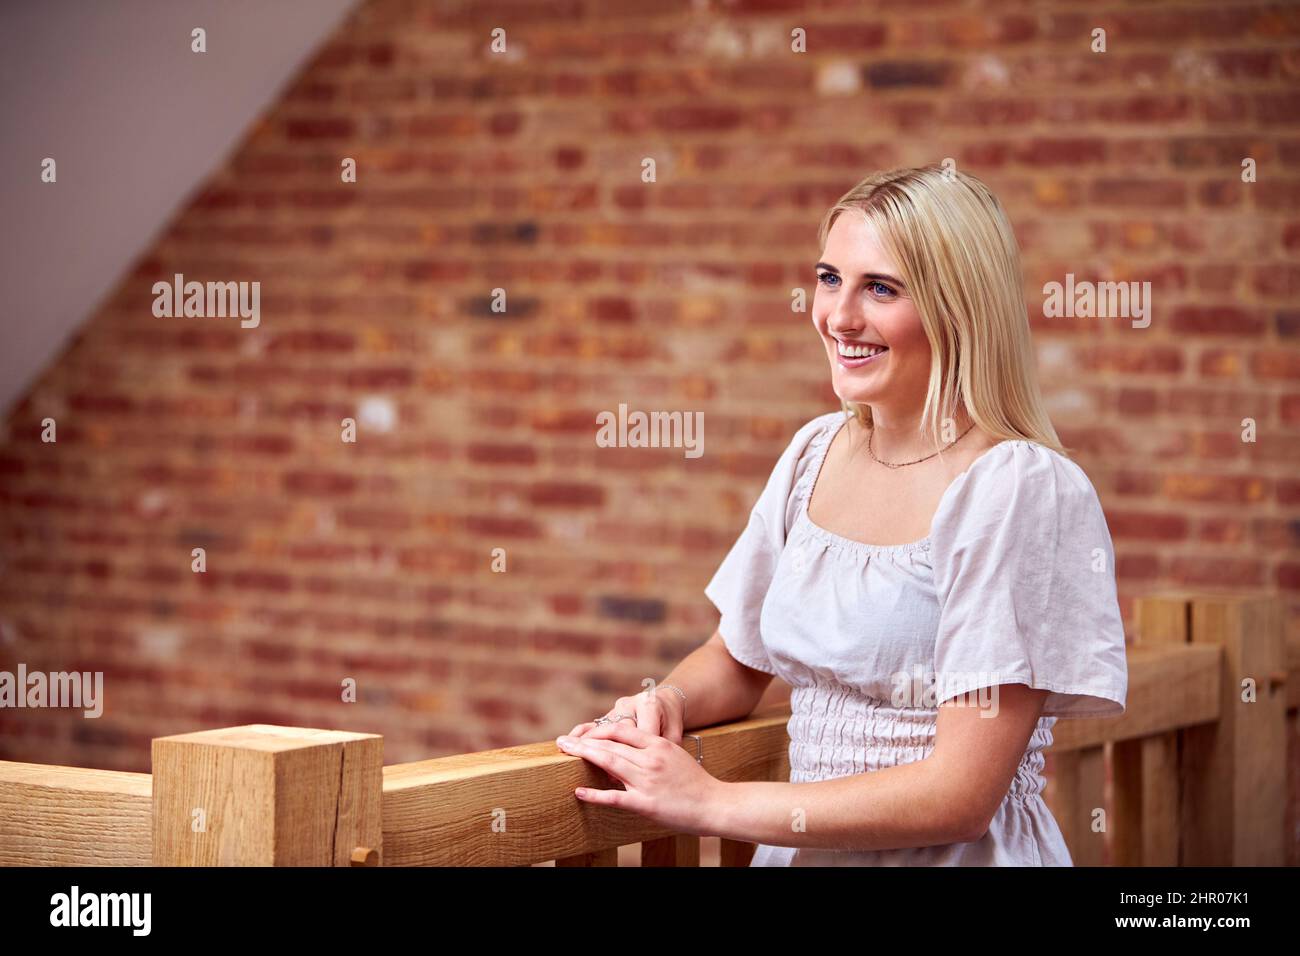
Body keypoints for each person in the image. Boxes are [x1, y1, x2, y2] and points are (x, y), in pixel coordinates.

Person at [555, 164, 1128, 865]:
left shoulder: (1017, 488)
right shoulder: (813, 452)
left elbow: (963, 793)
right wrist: (664, 703)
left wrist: (708, 802)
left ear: (960, 305)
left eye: (880, 288)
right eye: (829, 279)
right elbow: (738, 658)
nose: (840, 317)